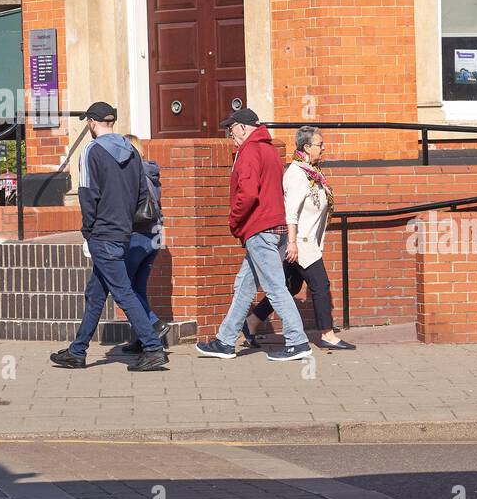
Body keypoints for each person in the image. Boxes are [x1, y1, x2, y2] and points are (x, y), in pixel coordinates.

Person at [50, 101, 168, 372]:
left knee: (123, 293)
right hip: (124, 230)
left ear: (91, 122)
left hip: (102, 232)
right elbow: (141, 193)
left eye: (88, 123)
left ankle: (153, 348)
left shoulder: (91, 150)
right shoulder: (130, 150)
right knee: (95, 292)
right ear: (111, 121)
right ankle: (77, 351)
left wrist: (88, 231)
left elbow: (87, 194)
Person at [196, 107, 311, 362]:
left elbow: (247, 195)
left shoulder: (249, 151)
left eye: (231, 129)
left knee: (275, 288)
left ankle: (297, 341)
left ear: (242, 127)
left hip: (259, 229)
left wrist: (234, 221)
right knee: (244, 288)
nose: (230, 135)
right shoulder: (270, 150)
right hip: (274, 227)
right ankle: (225, 341)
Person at [245, 126, 354, 351]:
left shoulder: (311, 171)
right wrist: (292, 243)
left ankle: (251, 322)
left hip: (306, 241)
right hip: (300, 243)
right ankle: (327, 334)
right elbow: (291, 212)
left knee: (289, 287)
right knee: (320, 285)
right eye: (319, 145)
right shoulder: (296, 174)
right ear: (306, 147)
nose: (323, 149)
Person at [119, 134, 171, 354]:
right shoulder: (151, 171)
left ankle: (153, 324)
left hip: (138, 235)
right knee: (137, 287)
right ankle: (142, 338)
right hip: (154, 236)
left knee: (124, 288)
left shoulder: (134, 173)